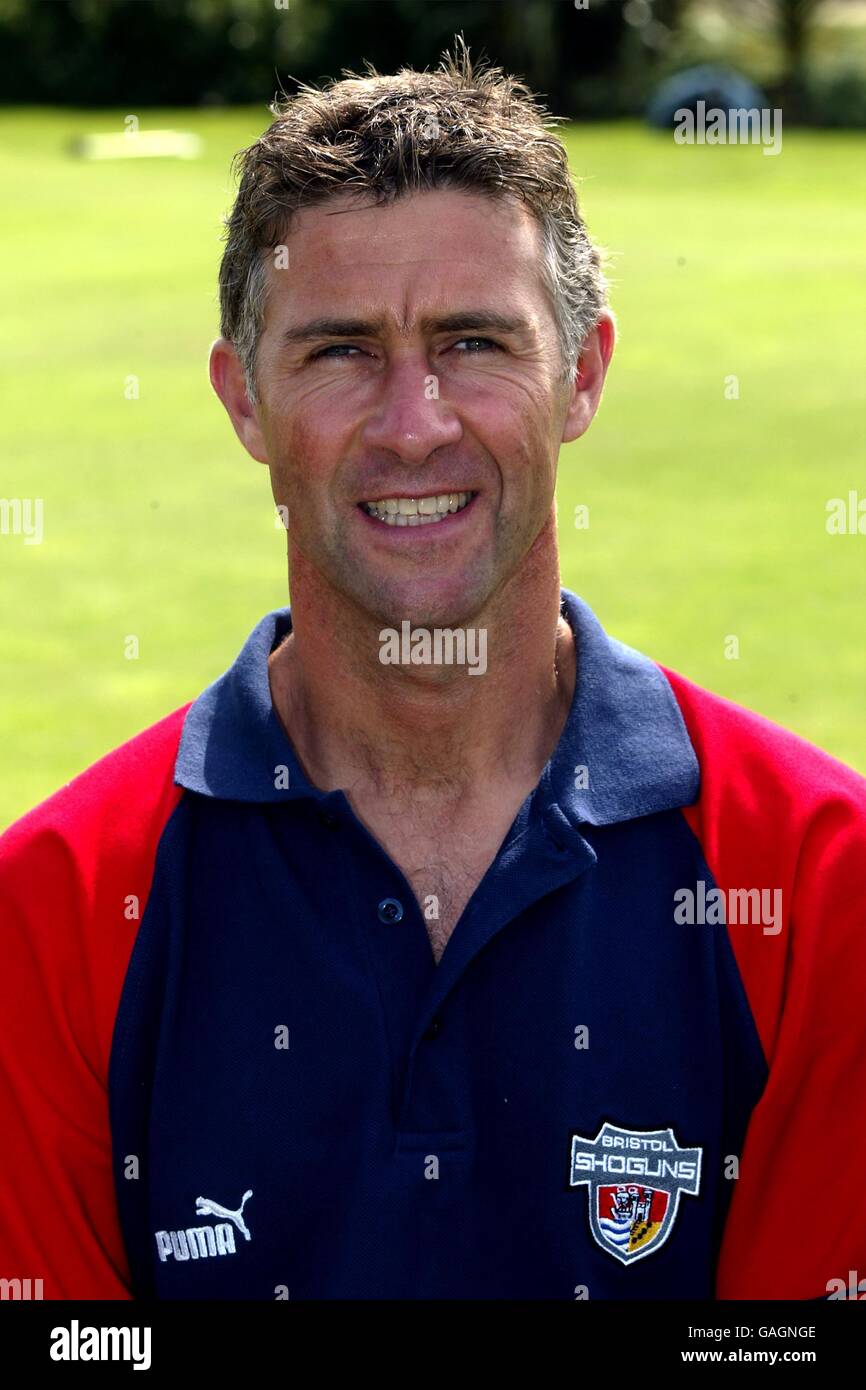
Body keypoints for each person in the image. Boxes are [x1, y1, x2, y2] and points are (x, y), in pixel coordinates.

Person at [1, 38, 864, 1302]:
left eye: (472, 342)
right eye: (339, 351)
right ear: (244, 402)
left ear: (581, 374)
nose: (414, 424)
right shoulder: (54, 912)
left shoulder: (818, 881)